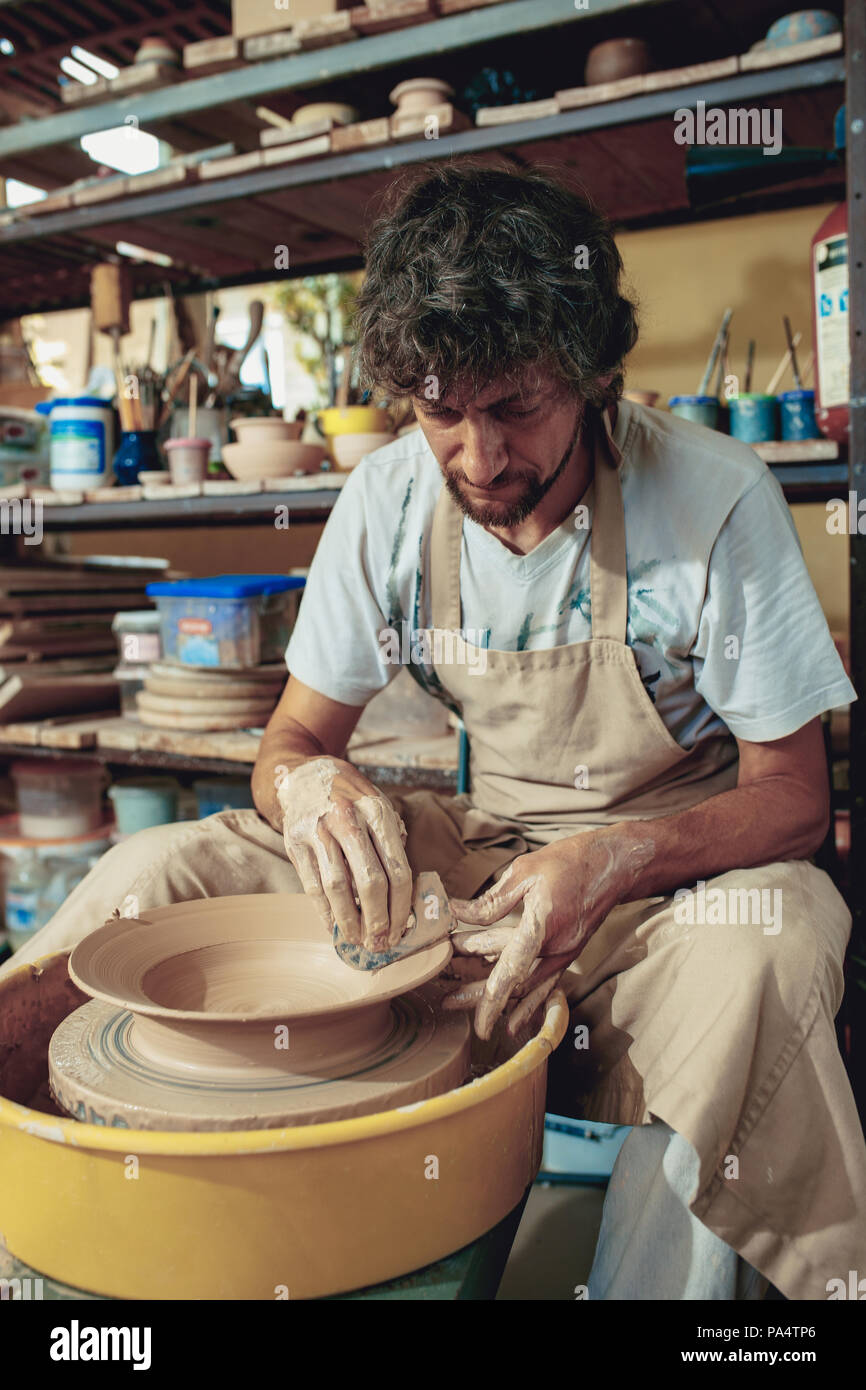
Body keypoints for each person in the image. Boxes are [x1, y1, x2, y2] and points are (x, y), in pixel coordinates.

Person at [9, 162, 864, 1301]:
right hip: (475, 851)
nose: (477, 458)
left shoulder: (711, 493)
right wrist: (313, 792)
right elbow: (293, 741)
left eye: (513, 406)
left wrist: (614, 856)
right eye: (438, 411)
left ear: (594, 376)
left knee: (764, 956)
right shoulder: (388, 497)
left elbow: (795, 799)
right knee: (156, 867)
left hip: (673, 877)